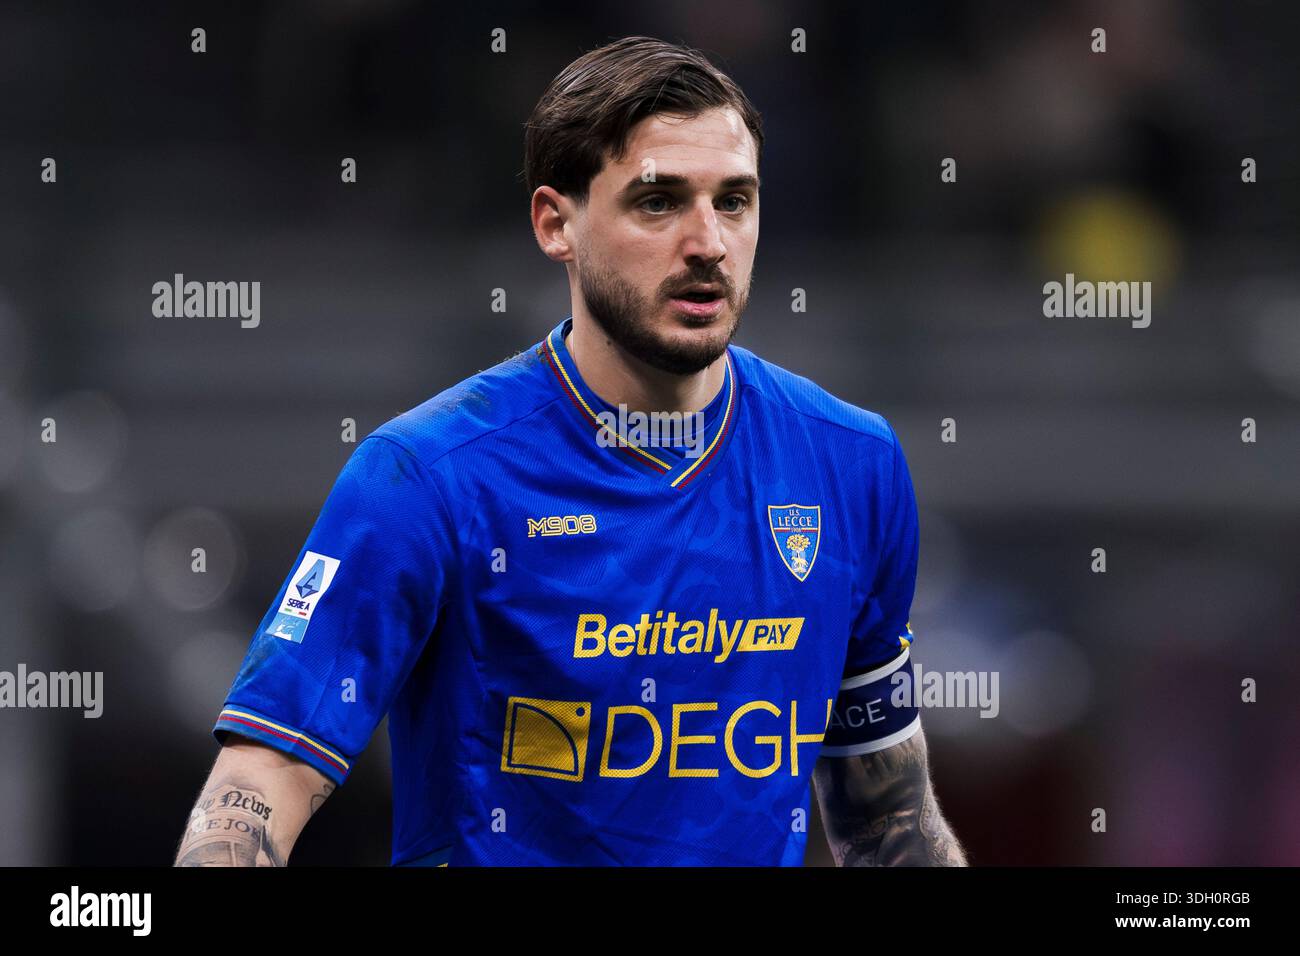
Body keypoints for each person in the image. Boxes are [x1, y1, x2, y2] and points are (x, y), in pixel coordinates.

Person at [174, 35, 966, 867]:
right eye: (658, 202)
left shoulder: (852, 465)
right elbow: (262, 776)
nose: (708, 243)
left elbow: (889, 822)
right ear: (556, 223)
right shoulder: (426, 477)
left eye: (734, 201)